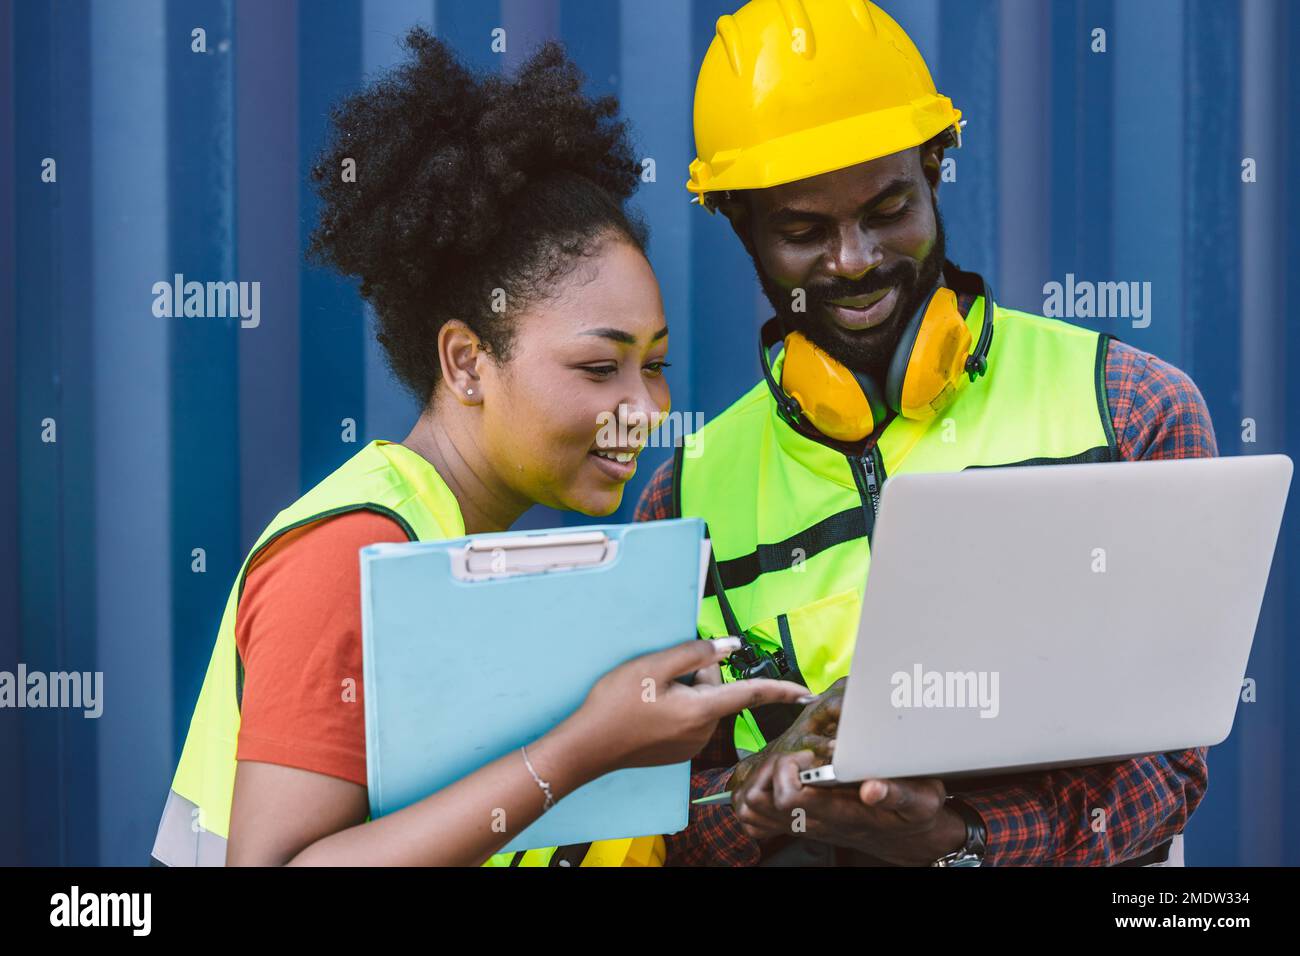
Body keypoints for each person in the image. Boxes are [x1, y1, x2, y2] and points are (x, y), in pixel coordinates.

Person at [149, 31, 807, 868]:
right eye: (600, 367)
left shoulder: (470, 549)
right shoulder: (349, 553)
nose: (643, 410)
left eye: (656, 365)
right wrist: (582, 748)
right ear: (467, 361)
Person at [634, 0, 1211, 866]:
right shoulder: (685, 497)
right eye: (802, 231)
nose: (856, 259)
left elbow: (1170, 766)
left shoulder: (1129, 407)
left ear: (937, 169)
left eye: (889, 207)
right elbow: (668, 810)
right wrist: (765, 795)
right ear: (738, 224)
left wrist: (956, 840)